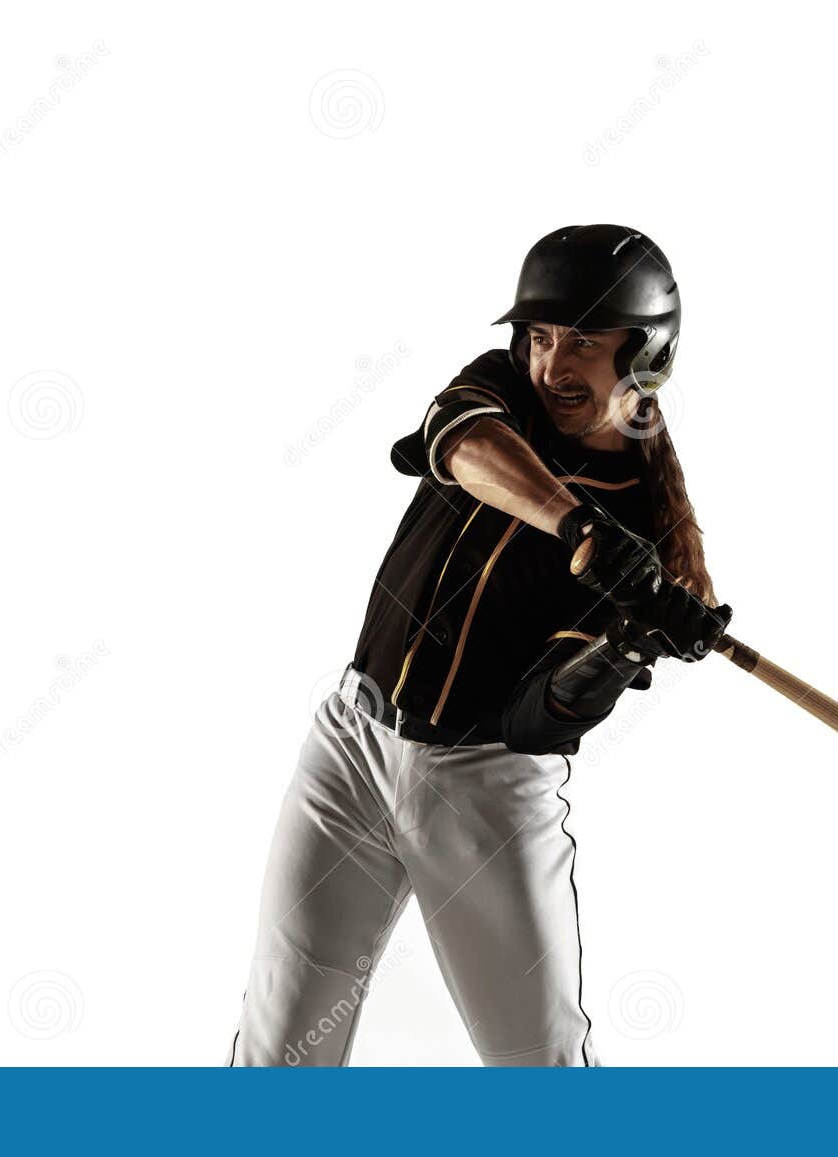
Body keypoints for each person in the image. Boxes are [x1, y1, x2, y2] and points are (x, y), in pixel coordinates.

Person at [227, 224, 732, 1067]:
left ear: (646, 357)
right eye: (538, 335)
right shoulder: (503, 392)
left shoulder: (648, 528)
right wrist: (579, 526)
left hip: (481, 784)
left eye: (583, 340)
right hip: (349, 745)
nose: (551, 364)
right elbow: (458, 442)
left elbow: (537, 718)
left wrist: (622, 644)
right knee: (279, 1050)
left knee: (537, 1066)